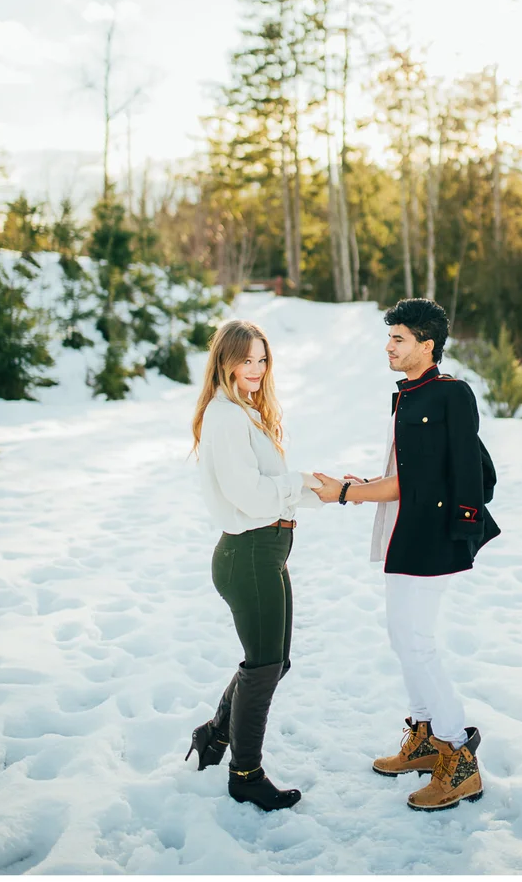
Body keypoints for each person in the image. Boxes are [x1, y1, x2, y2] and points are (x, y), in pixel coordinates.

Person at [310, 297, 500, 812]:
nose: (388, 347)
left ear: (426, 344)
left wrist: (348, 494)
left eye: (398, 339)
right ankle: (424, 737)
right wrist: (365, 483)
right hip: (405, 532)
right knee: (402, 638)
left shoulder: (450, 395)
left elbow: (434, 479)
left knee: (417, 642)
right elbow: (406, 474)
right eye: (389, 337)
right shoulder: (409, 396)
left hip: (433, 537)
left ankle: (459, 758)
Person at [185, 318, 324, 811]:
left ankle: (215, 733)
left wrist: (325, 491)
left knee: (273, 662)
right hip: (247, 555)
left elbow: (273, 491)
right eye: (247, 360)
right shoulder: (225, 418)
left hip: (266, 553)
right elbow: (249, 495)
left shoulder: (243, 412)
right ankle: (245, 774)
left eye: (263, 360)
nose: (257, 369)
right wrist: (300, 481)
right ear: (225, 361)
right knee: (264, 665)